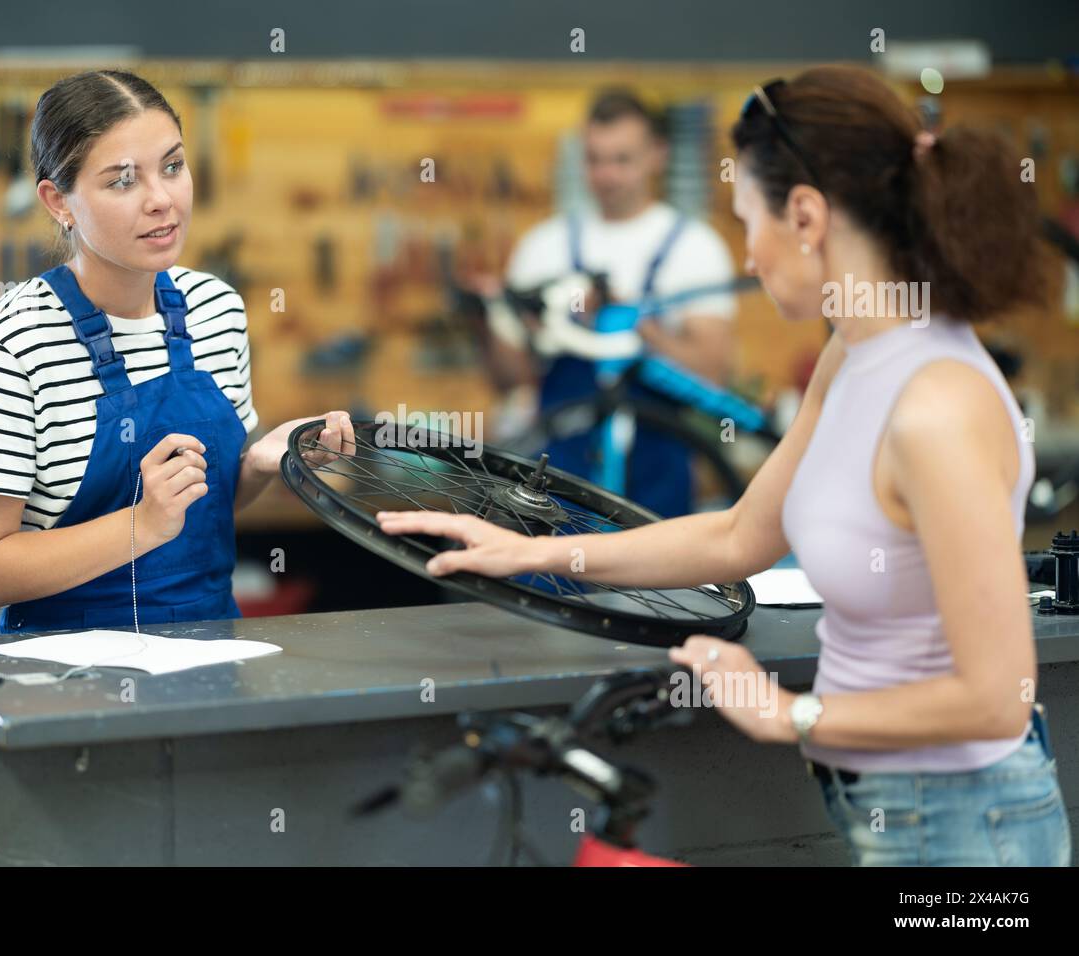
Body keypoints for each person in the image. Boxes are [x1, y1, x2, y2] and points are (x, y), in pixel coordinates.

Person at [379, 66, 1070, 866]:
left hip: (965, 827)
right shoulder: (855, 351)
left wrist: (787, 714)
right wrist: (534, 551)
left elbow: (994, 699)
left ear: (806, 214)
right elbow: (742, 534)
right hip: (888, 804)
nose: (746, 251)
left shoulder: (935, 405)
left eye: (747, 218)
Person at [0, 70, 353, 633]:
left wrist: (258, 464)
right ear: (58, 200)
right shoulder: (8, 349)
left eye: (173, 166)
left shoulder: (217, 310)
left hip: (215, 657)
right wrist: (140, 525)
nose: (162, 200)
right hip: (65, 689)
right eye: (122, 181)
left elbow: (198, 508)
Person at [473, 89, 737, 517]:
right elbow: (512, 381)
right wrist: (487, 320)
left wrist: (628, 319)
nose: (606, 174)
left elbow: (711, 373)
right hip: (556, 477)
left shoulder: (695, 248)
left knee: (659, 582)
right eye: (595, 159)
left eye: (622, 159)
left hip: (657, 477)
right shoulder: (543, 247)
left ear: (658, 155)